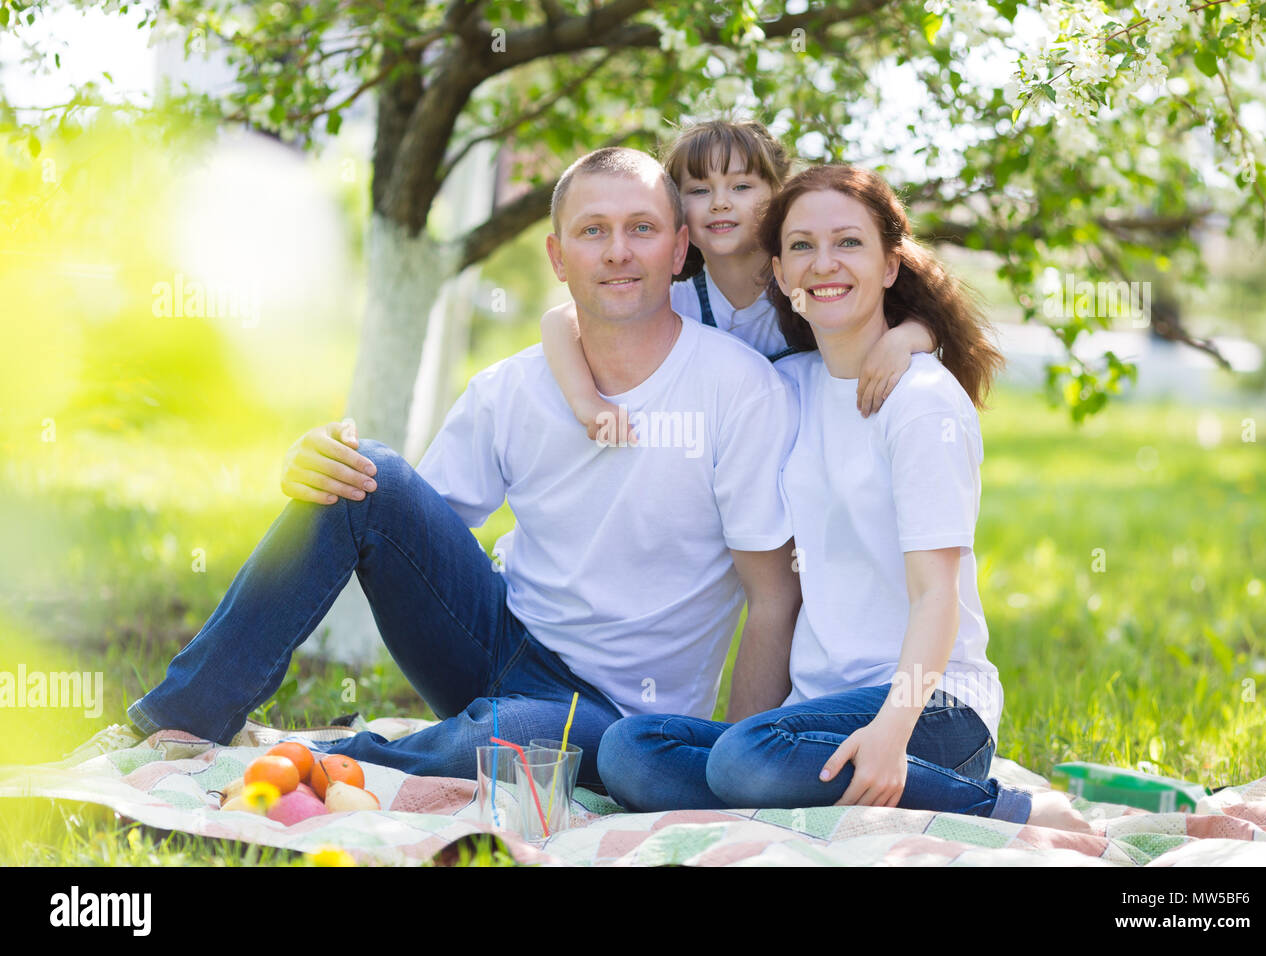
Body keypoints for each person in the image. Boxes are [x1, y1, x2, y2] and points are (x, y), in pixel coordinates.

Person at [59, 148, 803, 790]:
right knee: (363, 470)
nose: (617, 252)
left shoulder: (738, 390)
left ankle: (308, 764)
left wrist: (732, 762)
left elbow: (771, 598)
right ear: (557, 256)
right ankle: (174, 727)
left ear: (678, 250)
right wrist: (318, 469)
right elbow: (402, 526)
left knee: (504, 743)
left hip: (614, 717)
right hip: (495, 639)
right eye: (593, 232)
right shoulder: (511, 387)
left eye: (641, 229)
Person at [597, 164, 1090, 831]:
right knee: (631, 751)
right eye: (801, 246)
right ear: (777, 271)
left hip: (933, 710)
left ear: (891, 264)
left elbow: (937, 594)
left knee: (745, 757)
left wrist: (891, 731)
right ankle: (780, 794)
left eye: (849, 243)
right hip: (811, 716)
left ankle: (1011, 811)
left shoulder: (921, 404)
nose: (823, 264)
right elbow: (583, 323)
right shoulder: (787, 385)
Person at [539, 119, 937, 446]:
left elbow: (922, 314)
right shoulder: (675, 301)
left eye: (741, 187)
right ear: (676, 210)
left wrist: (905, 339)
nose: (720, 203)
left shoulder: (808, 284)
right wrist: (587, 402)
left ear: (779, 198)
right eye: (698, 190)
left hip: (819, 454)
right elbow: (560, 322)